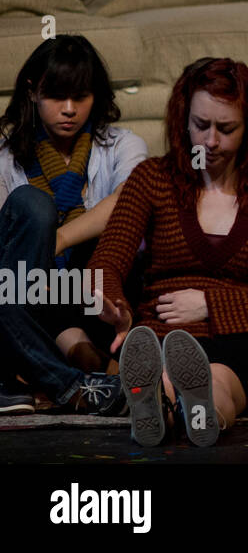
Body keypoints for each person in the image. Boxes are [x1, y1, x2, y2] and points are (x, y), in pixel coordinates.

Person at [90, 57, 248, 446]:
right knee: (165, 376)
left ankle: (203, 415)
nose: (211, 141)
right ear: (184, 119)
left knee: (217, 379)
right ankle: (158, 410)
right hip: (164, 332)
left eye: (226, 128)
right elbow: (107, 260)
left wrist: (211, 306)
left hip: (245, 337)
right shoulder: (152, 178)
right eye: (202, 126)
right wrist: (111, 302)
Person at [0, 34, 148, 415]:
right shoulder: (4, 158)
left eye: (80, 97)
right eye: (56, 97)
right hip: (30, 293)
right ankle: (75, 379)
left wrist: (58, 240)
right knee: (32, 205)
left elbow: (130, 204)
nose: (68, 110)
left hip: (97, 290)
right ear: (33, 93)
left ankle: (35, 370)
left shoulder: (121, 145)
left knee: (93, 241)